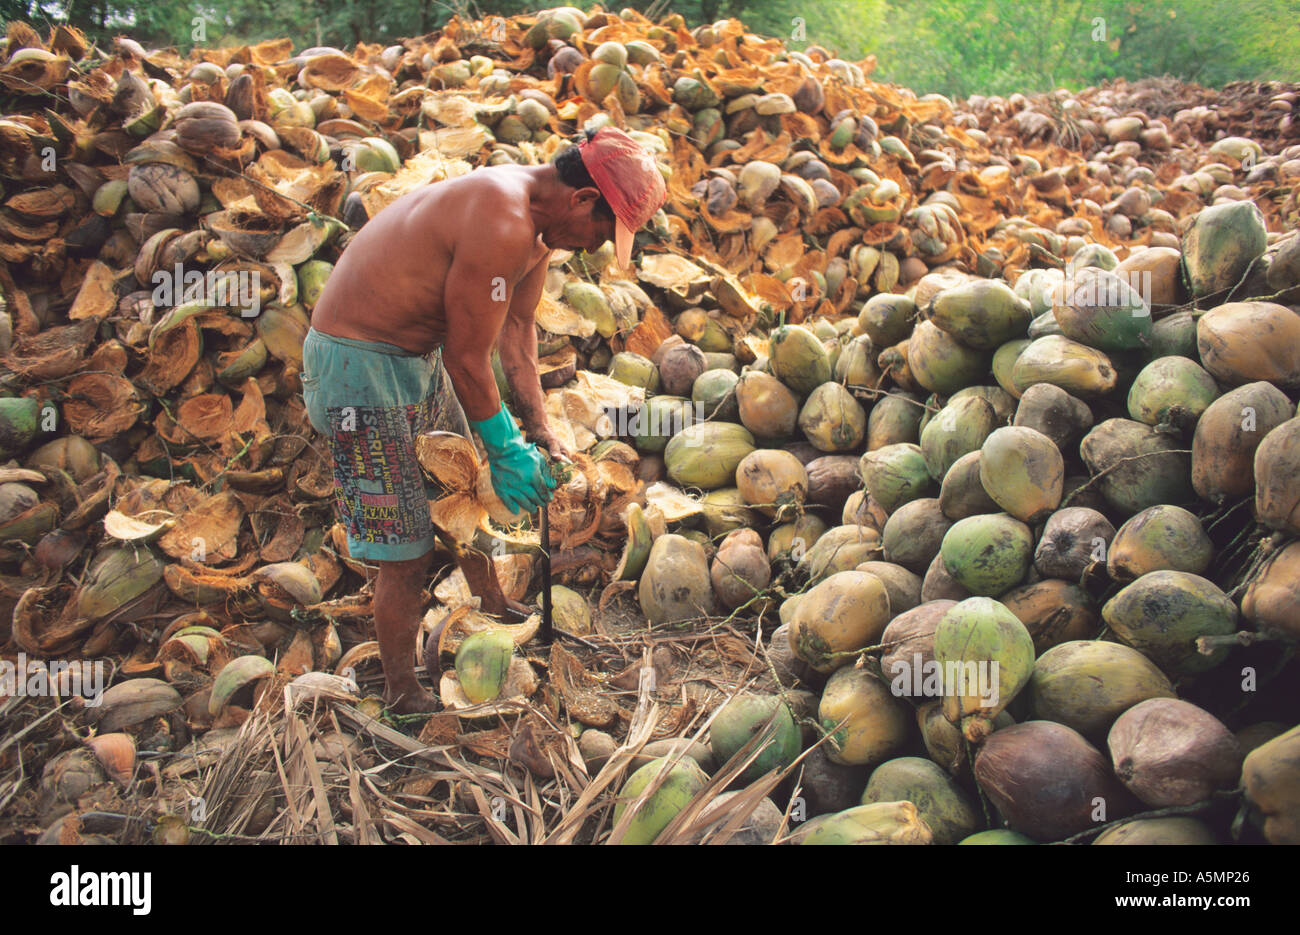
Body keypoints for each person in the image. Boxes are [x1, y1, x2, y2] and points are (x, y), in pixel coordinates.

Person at [302, 126, 667, 713]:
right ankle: (401, 690)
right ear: (582, 199)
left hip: (409, 358)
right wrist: (503, 446)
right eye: (602, 233)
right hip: (357, 369)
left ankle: (492, 604)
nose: (597, 247)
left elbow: (517, 335)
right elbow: (467, 357)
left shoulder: (538, 232)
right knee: (406, 546)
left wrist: (539, 431)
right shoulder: (502, 219)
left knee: (466, 494)